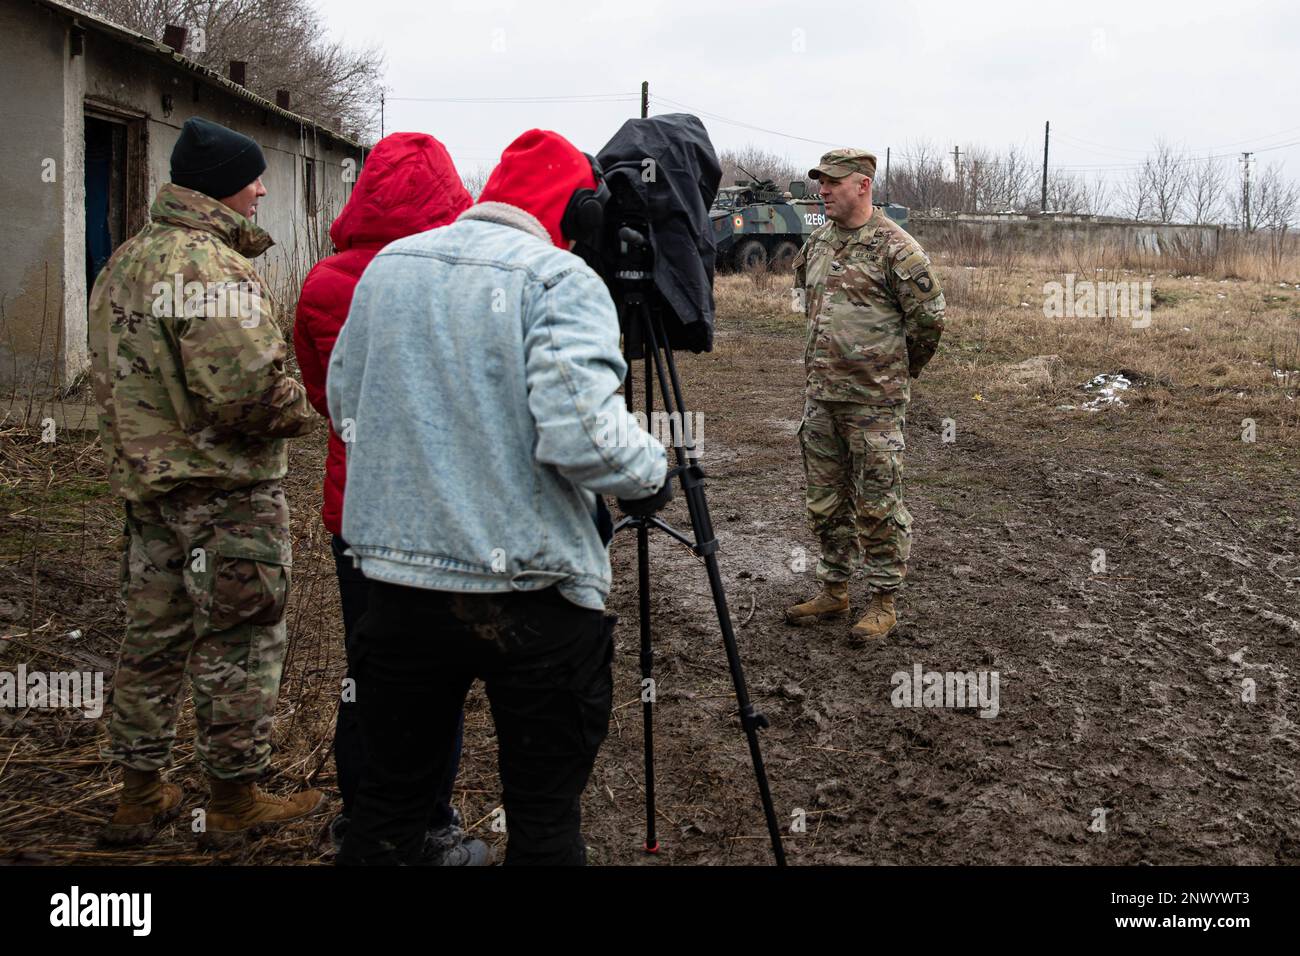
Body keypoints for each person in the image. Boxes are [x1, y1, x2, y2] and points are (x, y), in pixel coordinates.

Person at [327, 129, 670, 865]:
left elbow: (345, 401)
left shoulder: (390, 266)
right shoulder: (558, 279)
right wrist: (653, 473)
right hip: (534, 597)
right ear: (579, 212)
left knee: (385, 815)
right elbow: (586, 438)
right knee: (545, 824)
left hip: (398, 591)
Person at [91, 117, 324, 846]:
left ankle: (138, 795)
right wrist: (309, 405)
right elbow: (249, 396)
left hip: (151, 490)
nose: (261, 191)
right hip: (225, 497)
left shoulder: (127, 258)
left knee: (152, 638)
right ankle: (232, 801)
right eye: (253, 178)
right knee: (240, 642)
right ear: (222, 185)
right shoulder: (211, 268)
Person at [293, 131, 488, 865]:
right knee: (435, 673)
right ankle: (428, 825)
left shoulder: (323, 283)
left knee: (368, 668)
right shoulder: (458, 279)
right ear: (447, 193)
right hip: (437, 512)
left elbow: (325, 394)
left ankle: (362, 819)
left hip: (358, 509)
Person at [785, 148, 945, 642]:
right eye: (821, 182)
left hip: (874, 403)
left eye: (833, 182)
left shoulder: (896, 249)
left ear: (863, 185)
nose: (823, 190)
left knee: (878, 504)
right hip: (821, 398)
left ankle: (882, 601)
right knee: (825, 501)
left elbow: (929, 321)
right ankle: (834, 589)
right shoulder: (817, 244)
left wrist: (896, 371)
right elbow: (805, 301)